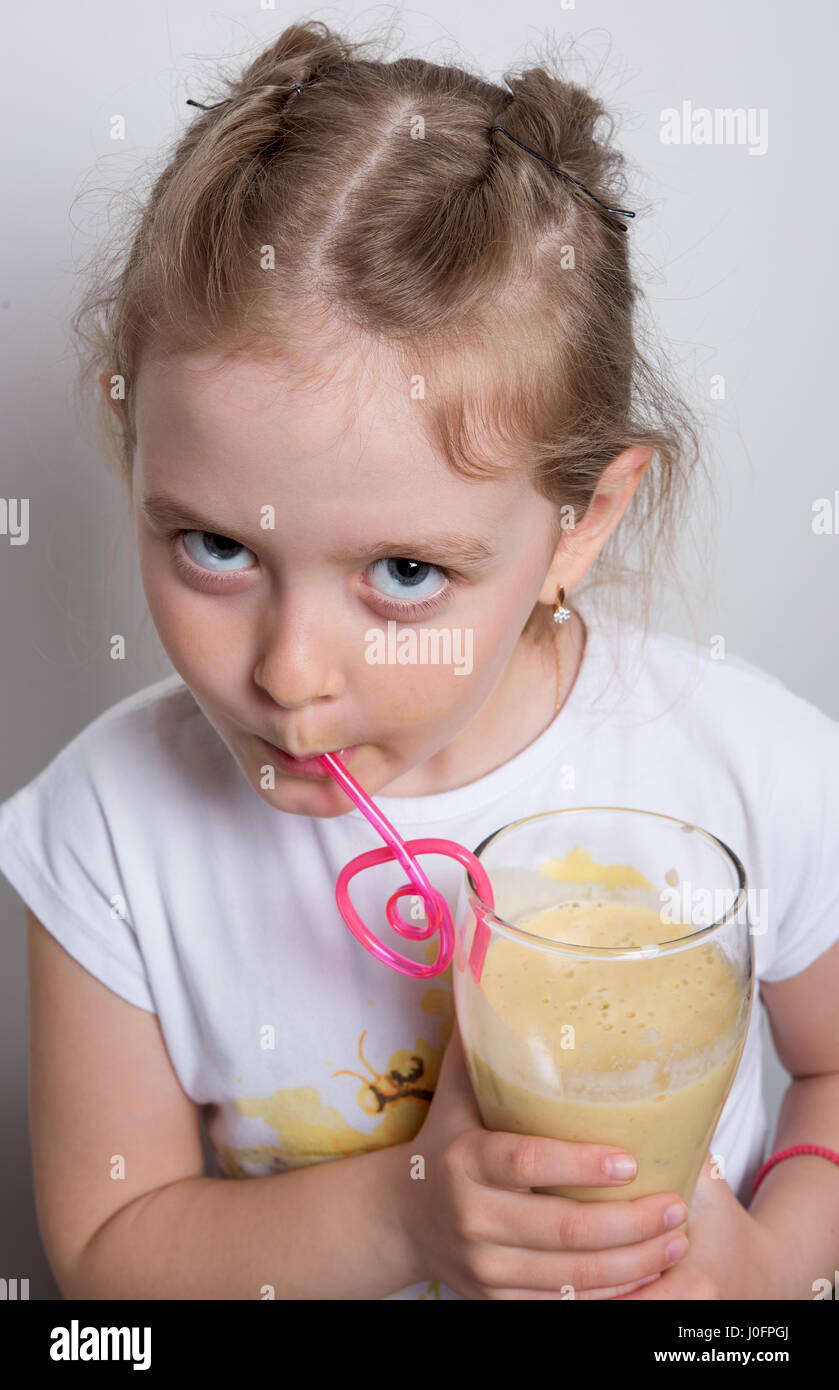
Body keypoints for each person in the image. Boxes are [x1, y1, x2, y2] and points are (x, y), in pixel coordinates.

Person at [2, 19, 838, 1302]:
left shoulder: (753, 771)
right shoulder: (110, 836)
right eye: (215, 544)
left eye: (403, 574)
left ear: (580, 526)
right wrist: (405, 1221)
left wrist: (775, 1268)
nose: (287, 673)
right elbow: (111, 1258)